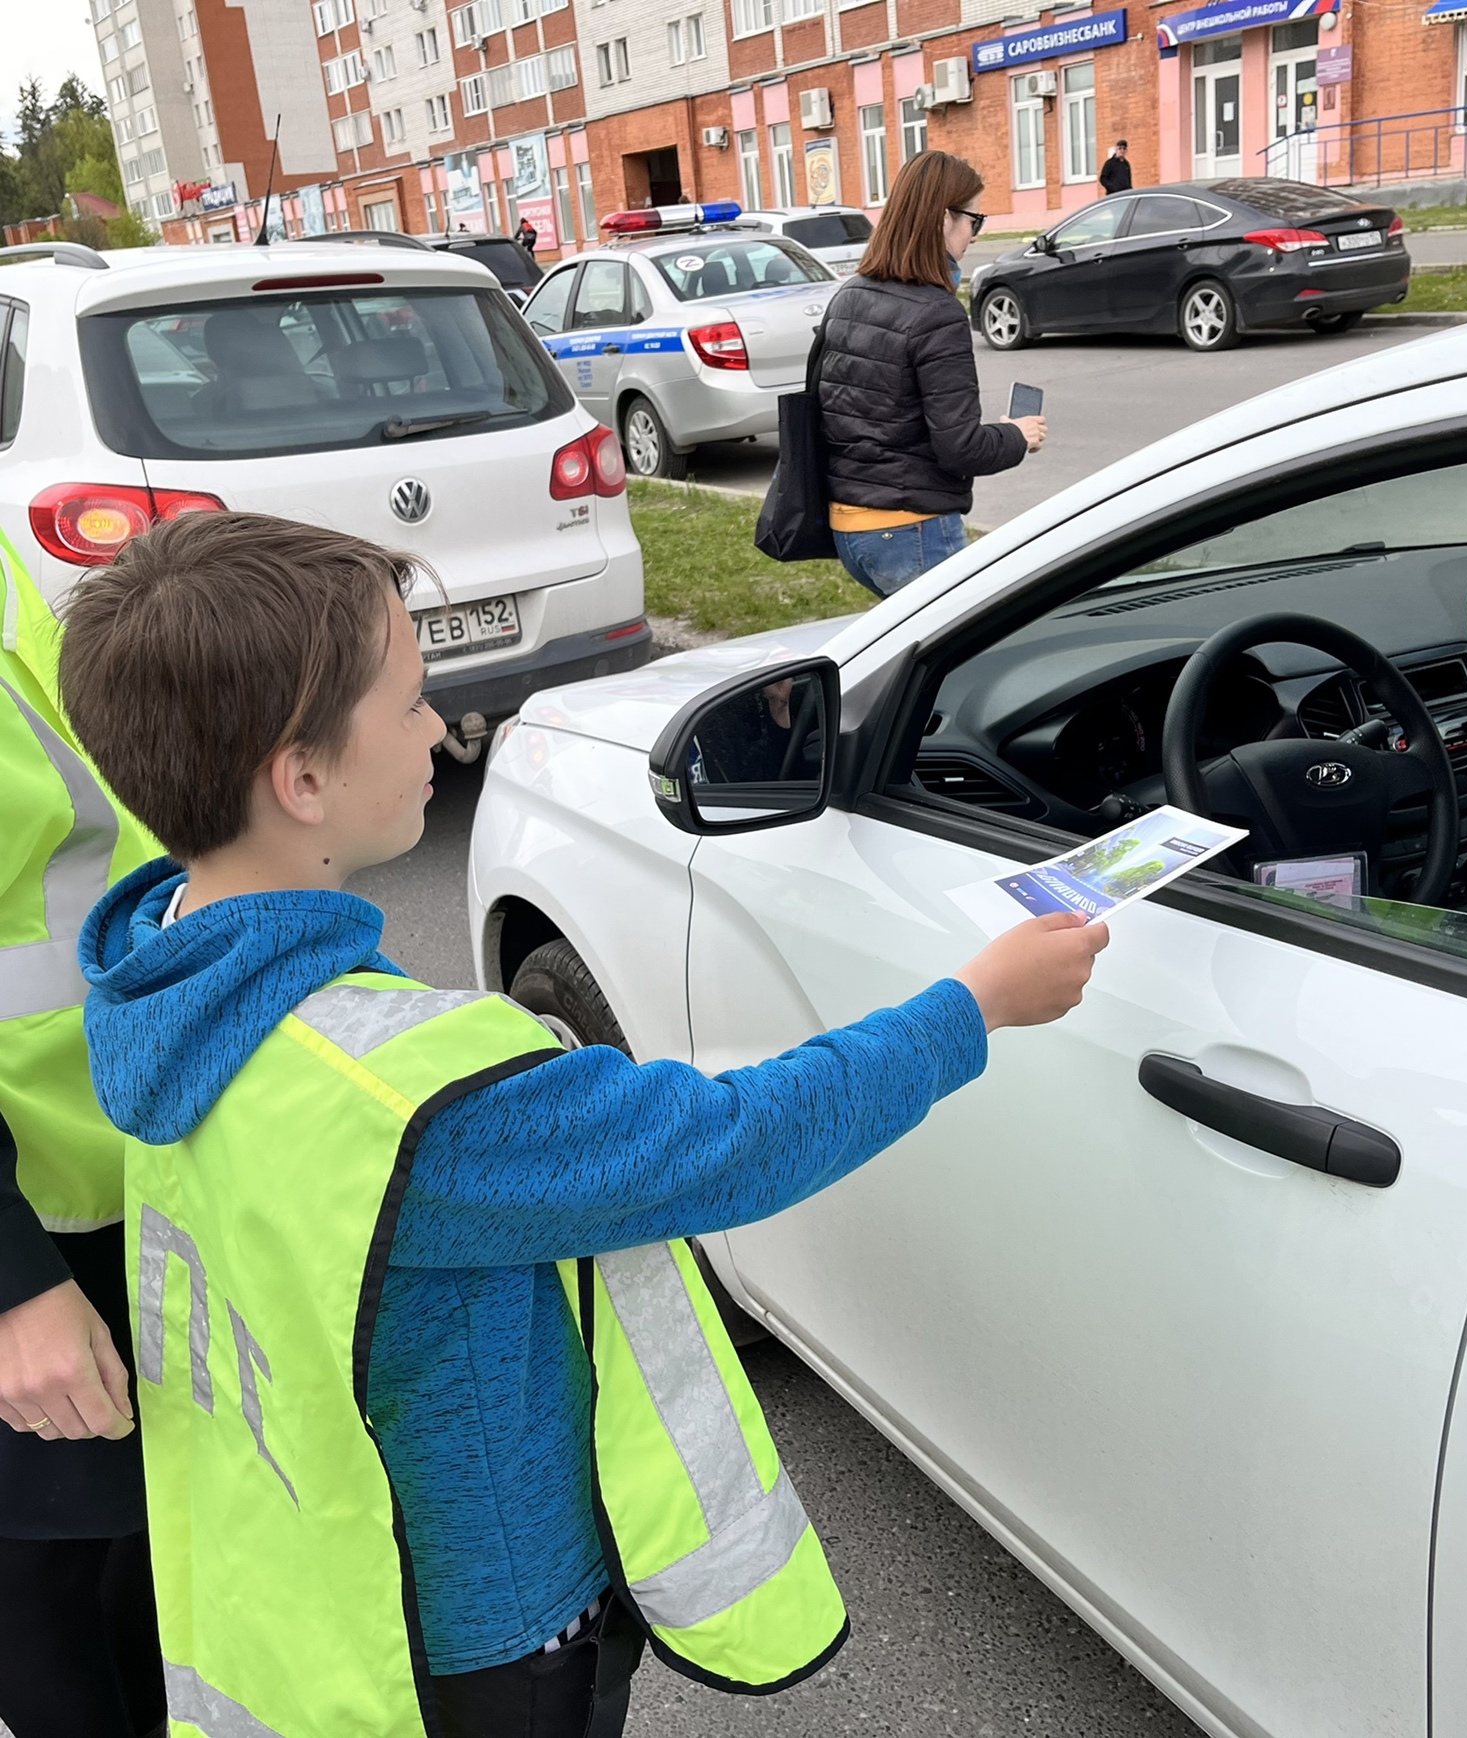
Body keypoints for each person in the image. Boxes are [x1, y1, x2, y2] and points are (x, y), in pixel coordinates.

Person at [59, 512, 1108, 1738]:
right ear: (302, 779)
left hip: (312, 1571)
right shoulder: (426, 1101)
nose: (445, 724)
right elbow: (737, 1138)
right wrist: (974, 1008)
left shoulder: (166, 977)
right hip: (492, 1623)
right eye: (408, 704)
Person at [0, 533, 166, 1738]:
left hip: (129, 1179)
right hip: (36, 1231)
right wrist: (13, 1290)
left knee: (139, 1562)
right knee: (47, 1600)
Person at [818, 150, 1044, 598]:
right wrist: (1018, 436)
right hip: (909, 531)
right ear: (944, 219)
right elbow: (960, 448)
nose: (977, 235)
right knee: (968, 665)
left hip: (850, 529)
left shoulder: (850, 295)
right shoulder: (937, 313)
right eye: (974, 220)